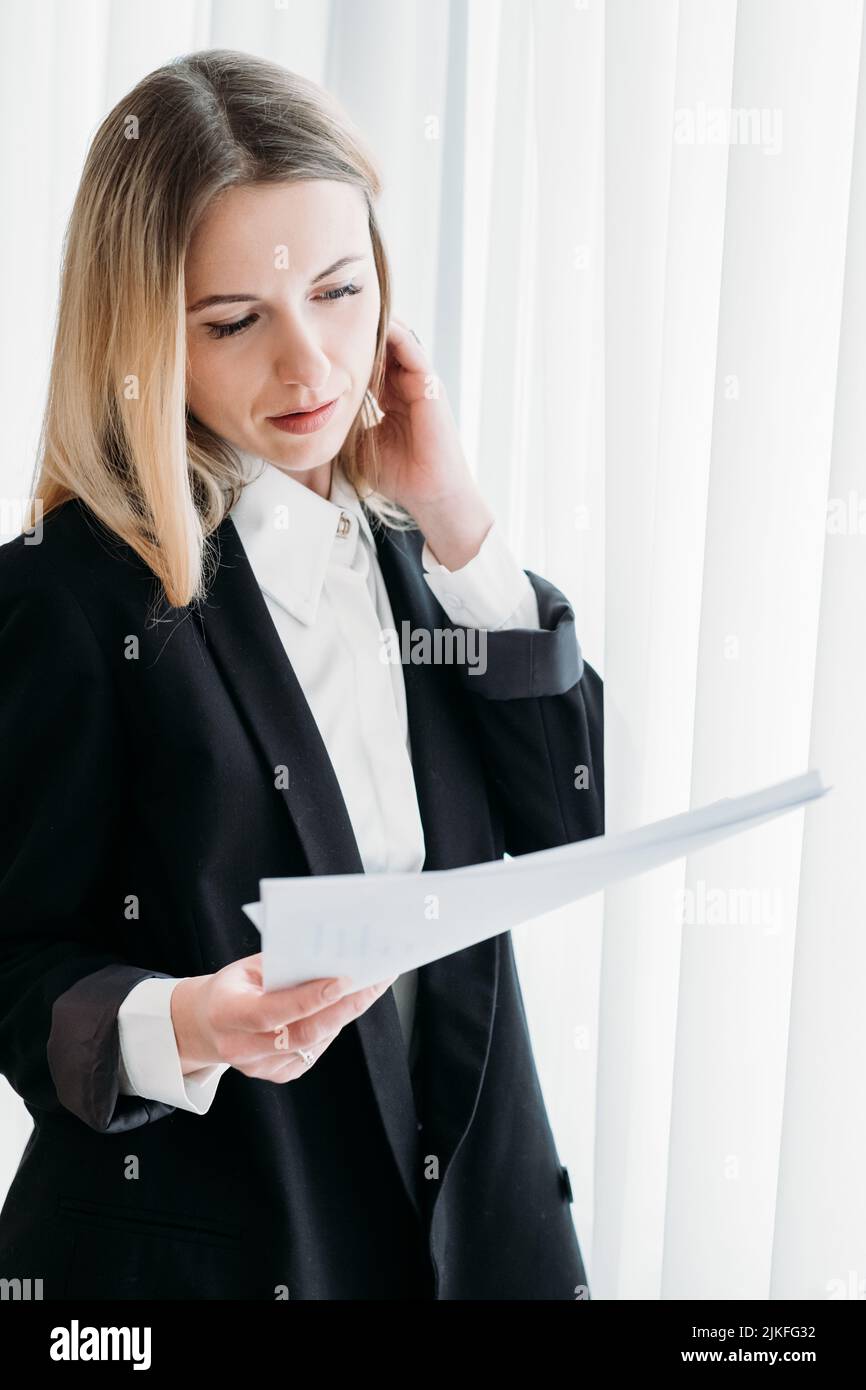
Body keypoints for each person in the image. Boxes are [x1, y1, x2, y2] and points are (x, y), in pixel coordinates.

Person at [0, 49, 603, 1300]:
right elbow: (14, 966)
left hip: (475, 1256)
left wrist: (453, 515)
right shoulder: (65, 594)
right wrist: (183, 1024)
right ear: (138, 339)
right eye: (236, 322)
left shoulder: (412, 550)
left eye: (339, 293)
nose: (313, 367)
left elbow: (563, 819)